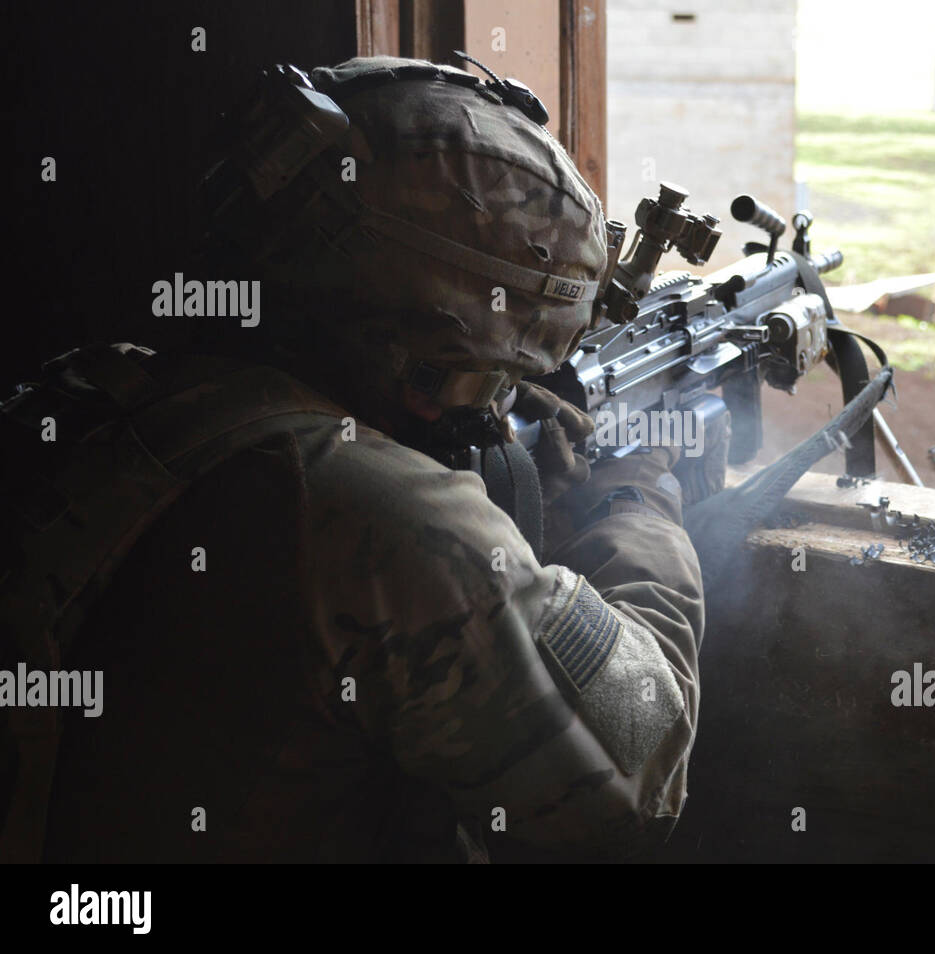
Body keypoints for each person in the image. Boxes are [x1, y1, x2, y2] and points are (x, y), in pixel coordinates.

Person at [3, 56, 703, 862]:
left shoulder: (98, 393)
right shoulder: (388, 523)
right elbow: (638, 777)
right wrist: (636, 507)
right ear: (438, 366)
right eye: (506, 373)